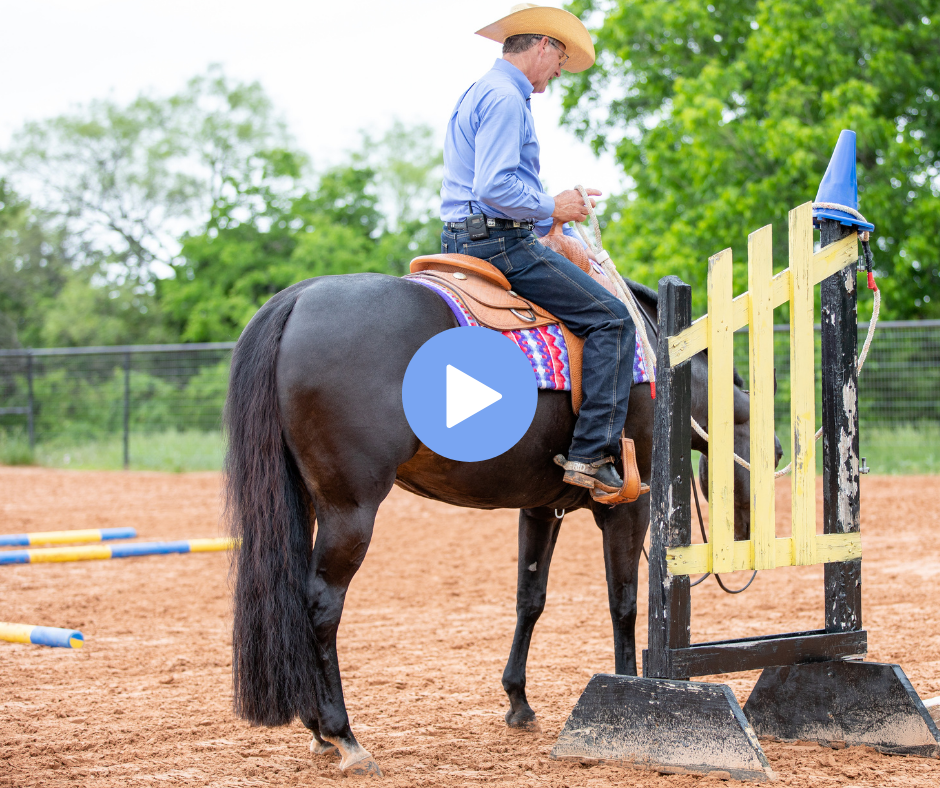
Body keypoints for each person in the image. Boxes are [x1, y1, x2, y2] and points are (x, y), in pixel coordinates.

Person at [440, 3, 637, 500]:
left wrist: (550, 219)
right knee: (613, 320)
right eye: (561, 60)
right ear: (544, 45)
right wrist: (554, 205)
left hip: (464, 236)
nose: (560, 72)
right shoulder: (508, 97)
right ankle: (592, 455)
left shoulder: (480, 90)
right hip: (500, 244)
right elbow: (493, 186)